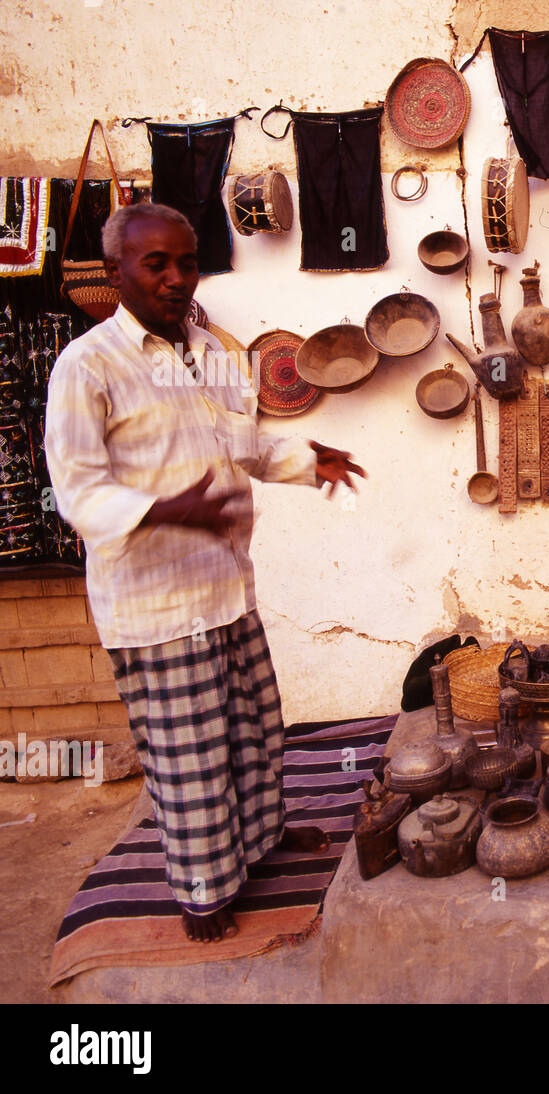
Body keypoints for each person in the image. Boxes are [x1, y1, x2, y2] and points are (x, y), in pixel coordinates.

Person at [44, 203, 366, 943]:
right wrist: (166, 510)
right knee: (188, 756)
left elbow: (246, 448)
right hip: (156, 603)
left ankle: (259, 840)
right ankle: (202, 892)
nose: (175, 277)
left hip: (224, 583)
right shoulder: (86, 366)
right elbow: (80, 492)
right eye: (155, 263)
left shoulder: (209, 351)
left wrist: (309, 461)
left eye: (186, 262)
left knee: (252, 729)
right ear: (117, 270)